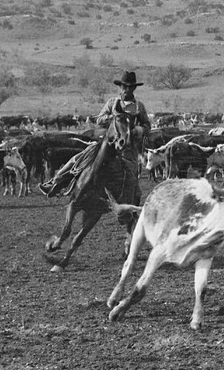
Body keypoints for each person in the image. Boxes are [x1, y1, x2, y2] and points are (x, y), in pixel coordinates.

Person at [43, 70, 151, 269]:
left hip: (127, 153)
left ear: (134, 88)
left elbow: (148, 126)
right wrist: (113, 119)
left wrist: (138, 129)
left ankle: (127, 220)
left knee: (132, 184)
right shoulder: (111, 103)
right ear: (120, 87)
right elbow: (99, 119)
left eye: (130, 87)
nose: (127, 90)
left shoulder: (139, 106)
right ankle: (55, 182)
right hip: (106, 145)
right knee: (78, 158)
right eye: (124, 86)